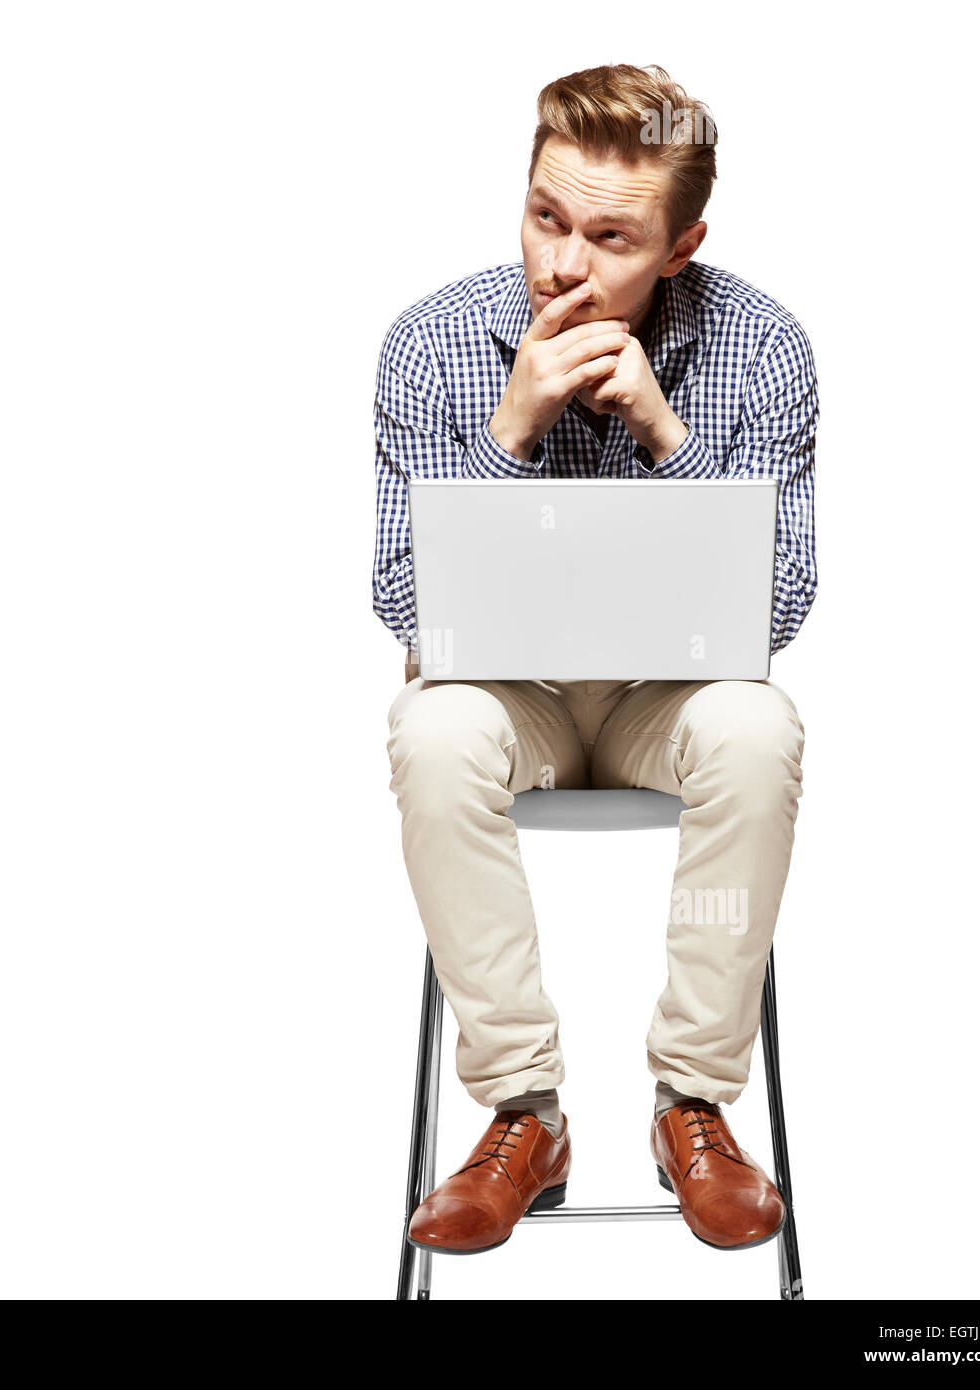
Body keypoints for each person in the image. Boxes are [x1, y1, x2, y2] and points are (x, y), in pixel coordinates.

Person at [373, 63, 818, 1257]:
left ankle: (693, 1108)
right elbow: (398, 604)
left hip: (654, 707)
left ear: (680, 247)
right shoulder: (434, 344)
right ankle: (525, 1117)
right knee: (429, 727)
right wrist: (511, 429)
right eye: (545, 217)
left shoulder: (762, 349)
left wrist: (666, 436)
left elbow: (777, 612)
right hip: (502, 702)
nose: (563, 264)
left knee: (756, 724)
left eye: (611, 236)